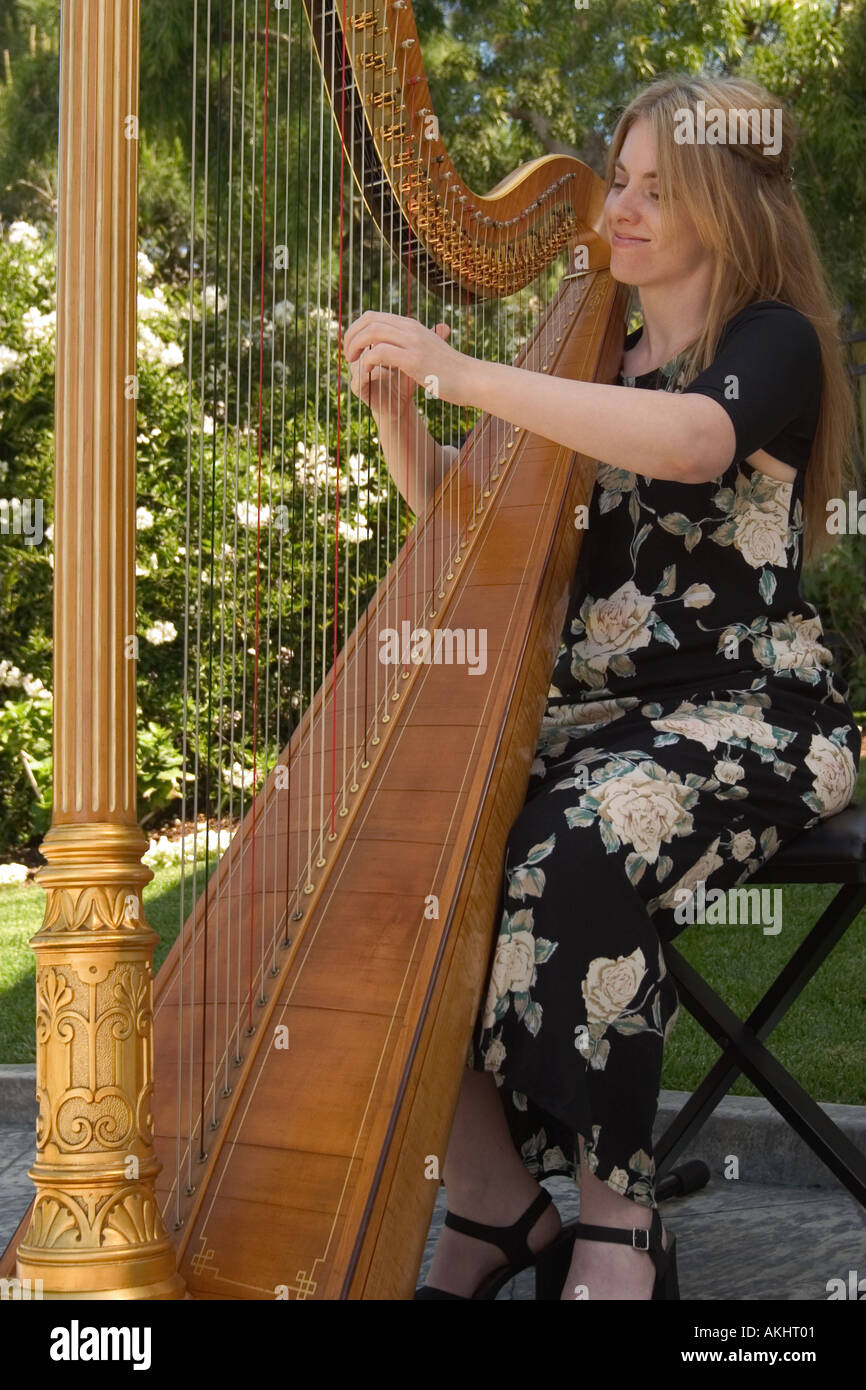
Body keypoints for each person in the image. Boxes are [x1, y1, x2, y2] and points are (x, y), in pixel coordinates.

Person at [342, 74, 862, 1301]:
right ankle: (490, 1204)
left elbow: (688, 442)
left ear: (722, 204)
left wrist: (463, 373)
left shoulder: (767, 339)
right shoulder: (591, 355)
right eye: (614, 180)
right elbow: (488, 534)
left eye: (651, 188)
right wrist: (398, 424)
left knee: (578, 846)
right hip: (597, 721)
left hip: (749, 712)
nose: (616, 208)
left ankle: (618, 1226)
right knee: (405, 854)